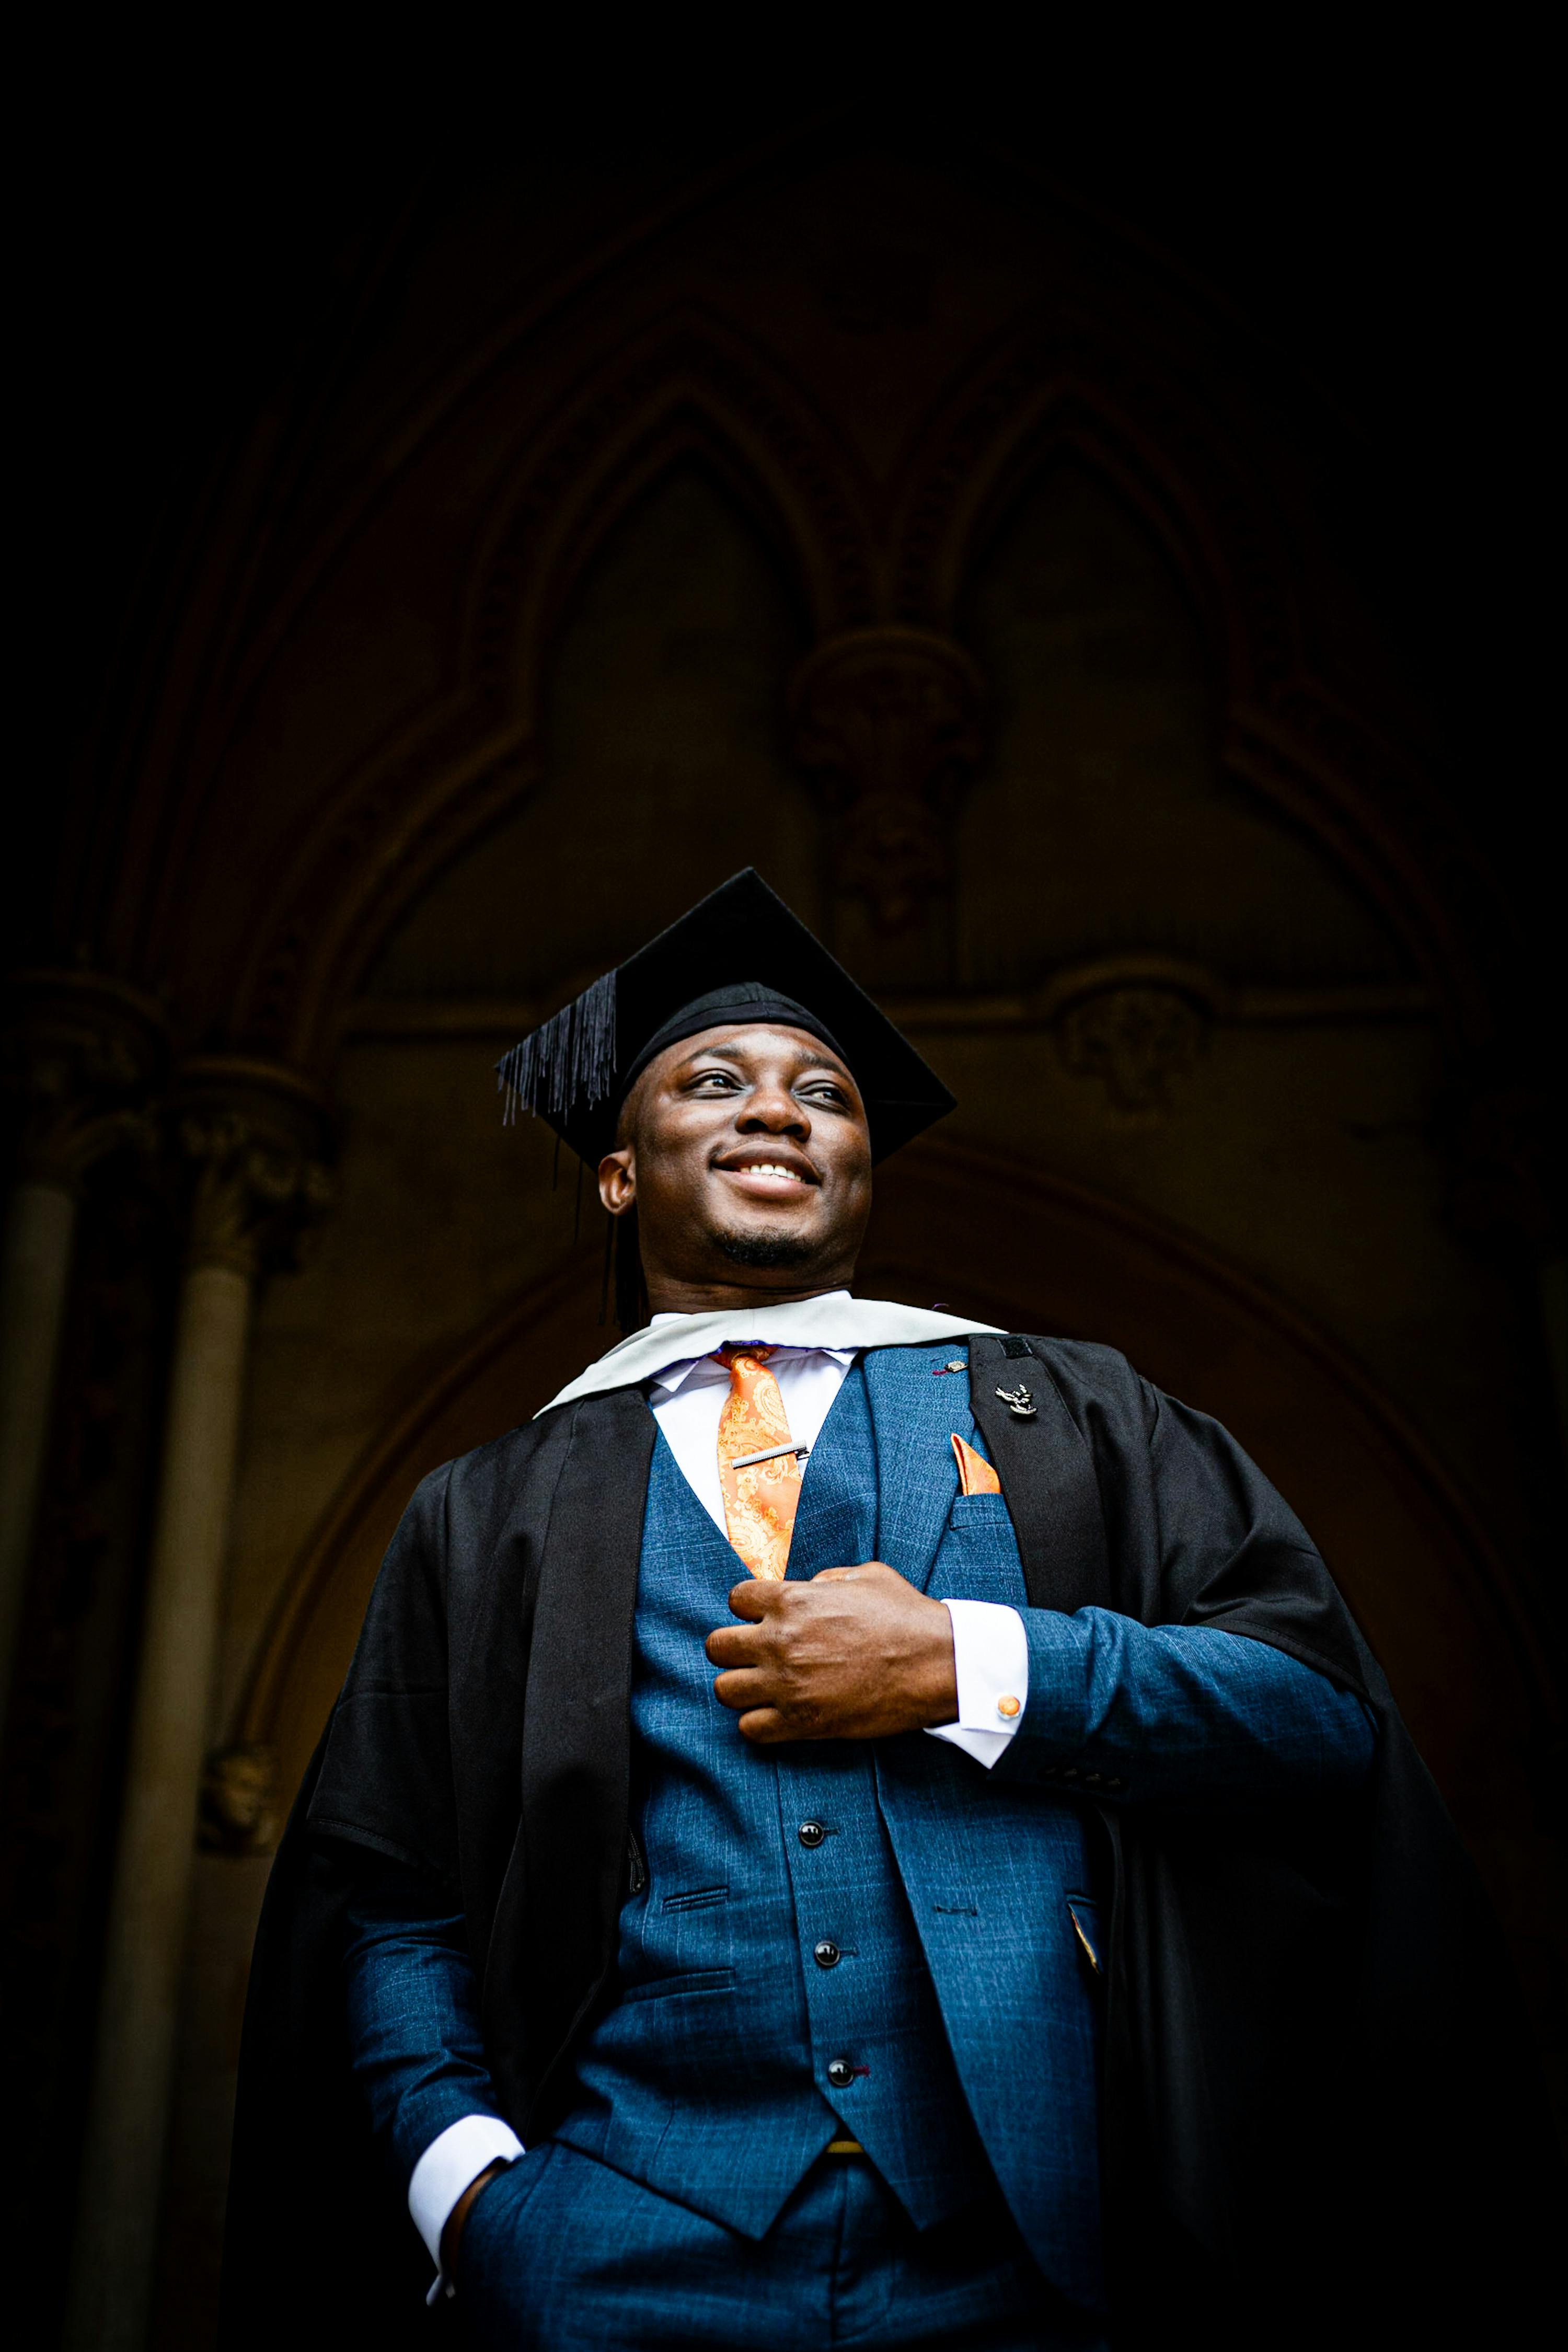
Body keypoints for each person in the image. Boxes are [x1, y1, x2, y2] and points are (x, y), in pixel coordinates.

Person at [223, 873, 1552, 2351]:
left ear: (865, 1166)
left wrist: (969, 1663)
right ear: (618, 1172)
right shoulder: (488, 1509)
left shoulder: (1071, 1412)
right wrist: (471, 2193)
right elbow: (390, 1887)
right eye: (714, 1081)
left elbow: (1313, 1718)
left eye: (825, 1094)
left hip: (1042, 2245)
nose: (777, 1110)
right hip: (612, 2249)